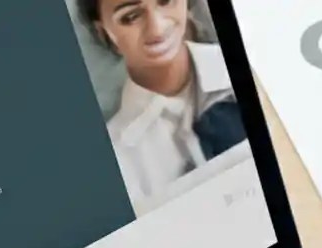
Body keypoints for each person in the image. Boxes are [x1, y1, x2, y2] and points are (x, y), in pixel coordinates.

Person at [77, 0, 247, 207]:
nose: (157, 29)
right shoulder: (116, 158)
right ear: (104, 32)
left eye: (166, 1)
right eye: (130, 17)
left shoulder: (252, 64)